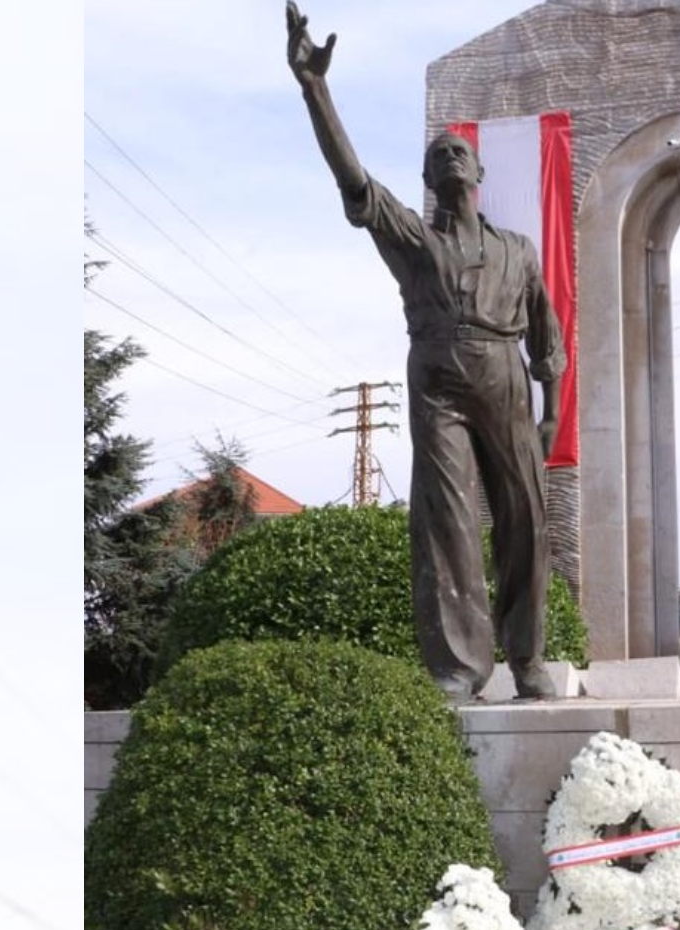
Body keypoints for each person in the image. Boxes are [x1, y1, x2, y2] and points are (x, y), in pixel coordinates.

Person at [286, 1, 561, 702]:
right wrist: (315, 89)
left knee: (525, 516)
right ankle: (460, 670)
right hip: (437, 375)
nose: (447, 156)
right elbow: (354, 181)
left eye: (456, 151)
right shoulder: (413, 240)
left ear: (477, 174)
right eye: (435, 154)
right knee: (446, 521)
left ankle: (528, 659)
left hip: (504, 374)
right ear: (426, 177)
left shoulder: (518, 251)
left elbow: (546, 333)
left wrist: (552, 406)